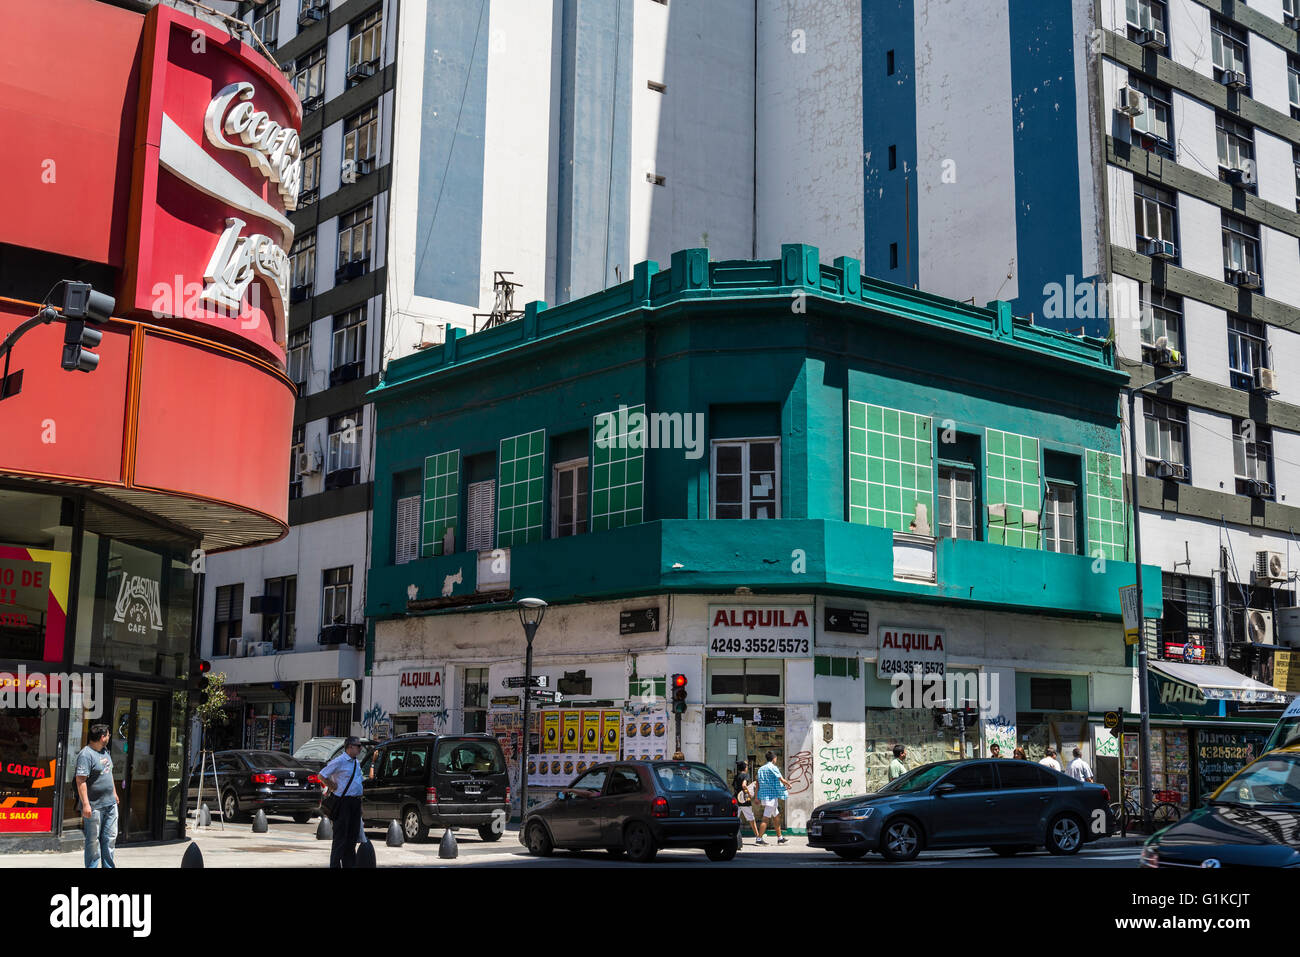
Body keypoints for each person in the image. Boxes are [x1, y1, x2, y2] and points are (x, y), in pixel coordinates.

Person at [74, 724, 118, 869]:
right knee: (93, 841)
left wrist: (114, 793)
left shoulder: (105, 751)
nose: (109, 737)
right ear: (102, 737)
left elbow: (109, 772)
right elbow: (80, 780)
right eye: (108, 735)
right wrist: (86, 804)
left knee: (110, 838)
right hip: (94, 806)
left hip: (110, 804)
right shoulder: (86, 755)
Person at [319, 735, 365, 867]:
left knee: (352, 837)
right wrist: (331, 785)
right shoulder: (339, 761)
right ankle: (335, 864)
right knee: (340, 837)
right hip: (343, 802)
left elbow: (358, 782)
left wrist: (360, 804)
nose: (360, 749)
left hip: (355, 802)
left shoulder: (356, 762)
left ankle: (349, 864)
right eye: (358, 746)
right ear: (350, 747)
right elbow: (321, 775)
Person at [754, 751, 791, 846]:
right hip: (771, 797)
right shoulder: (773, 768)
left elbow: (757, 783)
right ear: (774, 758)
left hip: (765, 795)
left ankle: (780, 838)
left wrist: (757, 796)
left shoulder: (761, 769)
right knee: (766, 818)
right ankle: (759, 838)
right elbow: (781, 779)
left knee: (776, 816)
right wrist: (788, 784)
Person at [732, 760, 759, 840]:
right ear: (745, 768)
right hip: (744, 801)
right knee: (751, 819)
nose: (747, 767)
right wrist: (749, 793)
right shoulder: (746, 775)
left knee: (734, 820)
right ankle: (758, 837)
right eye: (747, 766)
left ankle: (733, 838)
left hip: (736, 800)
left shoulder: (736, 776)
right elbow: (744, 785)